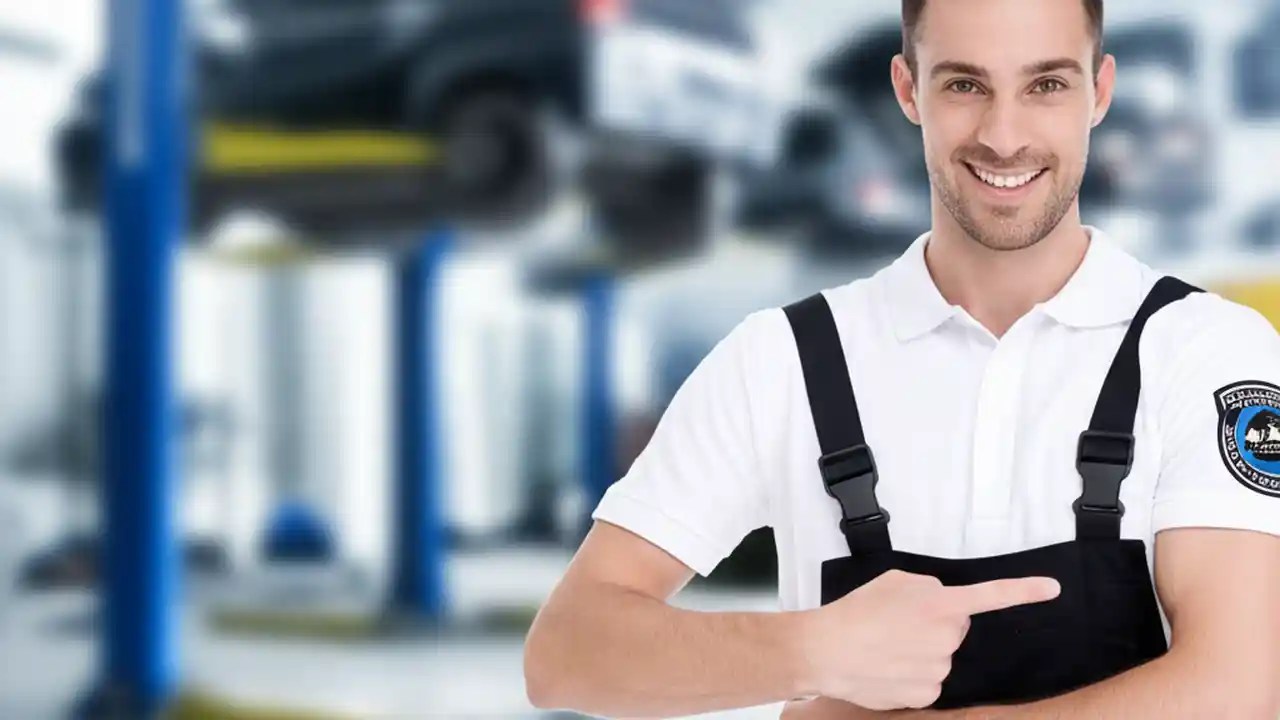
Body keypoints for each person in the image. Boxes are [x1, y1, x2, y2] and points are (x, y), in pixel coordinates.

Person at [523, 0, 1280, 717]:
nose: (1004, 135)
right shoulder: (785, 361)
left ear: (1099, 91)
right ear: (908, 89)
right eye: (964, 84)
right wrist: (812, 649)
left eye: (1046, 84)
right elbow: (567, 653)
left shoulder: (1205, 351)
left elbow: (1241, 692)